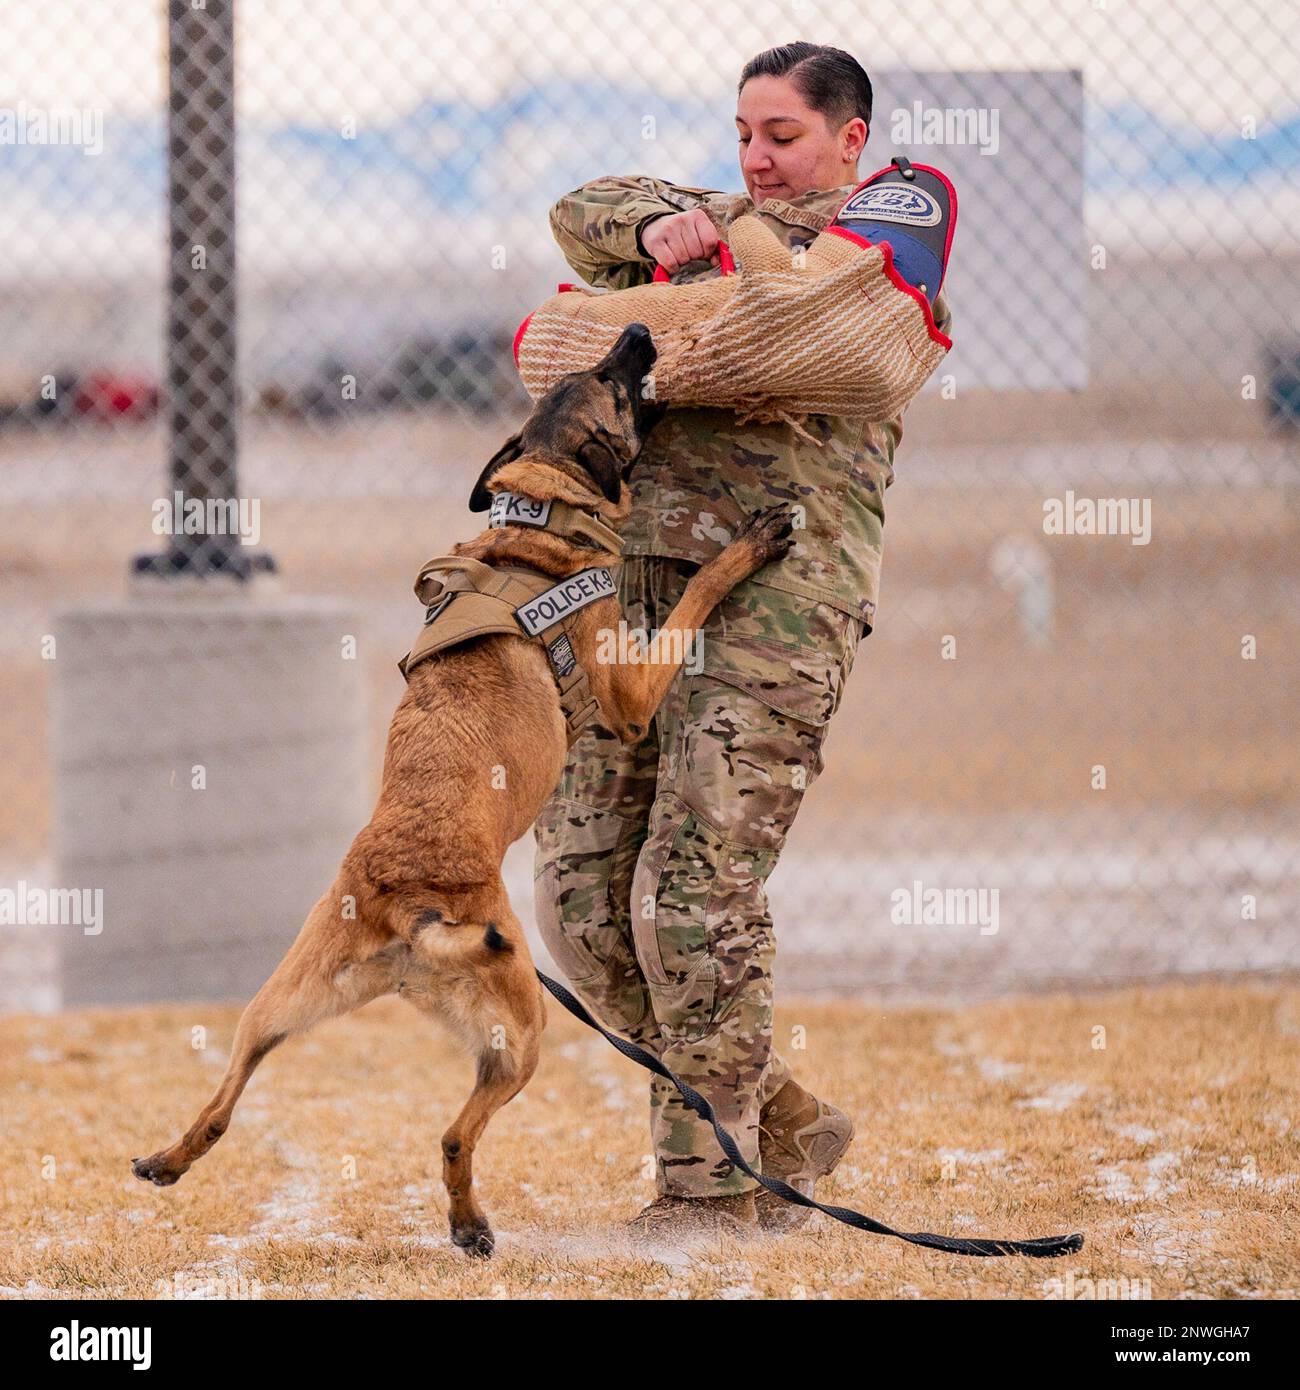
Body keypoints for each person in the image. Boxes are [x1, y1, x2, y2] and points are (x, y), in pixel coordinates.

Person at [533, 41, 953, 1242]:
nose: (759, 159)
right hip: (636, 597)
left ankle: (705, 1191)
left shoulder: (879, 236)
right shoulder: (710, 216)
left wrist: (685, 294)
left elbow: (797, 320)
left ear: (848, 139)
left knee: (692, 886)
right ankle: (774, 1115)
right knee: (580, 898)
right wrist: (675, 220)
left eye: (782, 135)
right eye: (743, 135)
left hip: (779, 599)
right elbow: (577, 215)